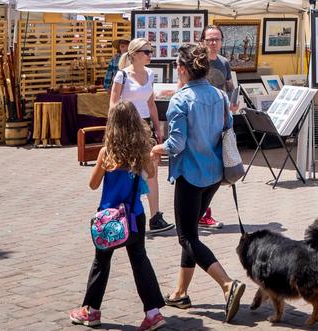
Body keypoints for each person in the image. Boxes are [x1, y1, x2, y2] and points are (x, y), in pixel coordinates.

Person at [151, 44, 246, 323]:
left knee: (187, 236)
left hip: (191, 175)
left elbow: (176, 143)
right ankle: (180, 291)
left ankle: (227, 284)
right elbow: (227, 128)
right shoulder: (218, 95)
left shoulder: (181, 101)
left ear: (182, 69)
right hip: (215, 174)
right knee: (190, 232)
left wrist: (155, 150)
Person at [69, 101, 167, 330]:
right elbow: (151, 174)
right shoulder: (141, 152)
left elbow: (93, 185)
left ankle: (91, 311)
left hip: (109, 218)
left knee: (101, 263)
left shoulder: (107, 153)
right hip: (135, 215)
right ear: (136, 124)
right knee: (140, 260)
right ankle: (153, 312)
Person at [110, 38, 174, 234]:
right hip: (127, 127)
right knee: (129, 172)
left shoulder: (150, 74)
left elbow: (151, 103)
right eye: (147, 51)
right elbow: (113, 106)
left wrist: (158, 127)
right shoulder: (122, 76)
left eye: (150, 51)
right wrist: (113, 132)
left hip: (145, 126)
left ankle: (155, 217)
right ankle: (125, 216)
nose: (150, 55)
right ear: (135, 54)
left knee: (151, 172)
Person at [196, 25, 239, 230]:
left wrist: (233, 102)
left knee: (216, 168)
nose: (213, 43)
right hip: (200, 122)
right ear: (202, 41)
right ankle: (200, 212)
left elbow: (230, 87)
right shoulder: (198, 63)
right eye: (209, 39)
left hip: (220, 122)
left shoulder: (224, 63)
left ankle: (202, 211)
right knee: (203, 167)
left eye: (217, 39)